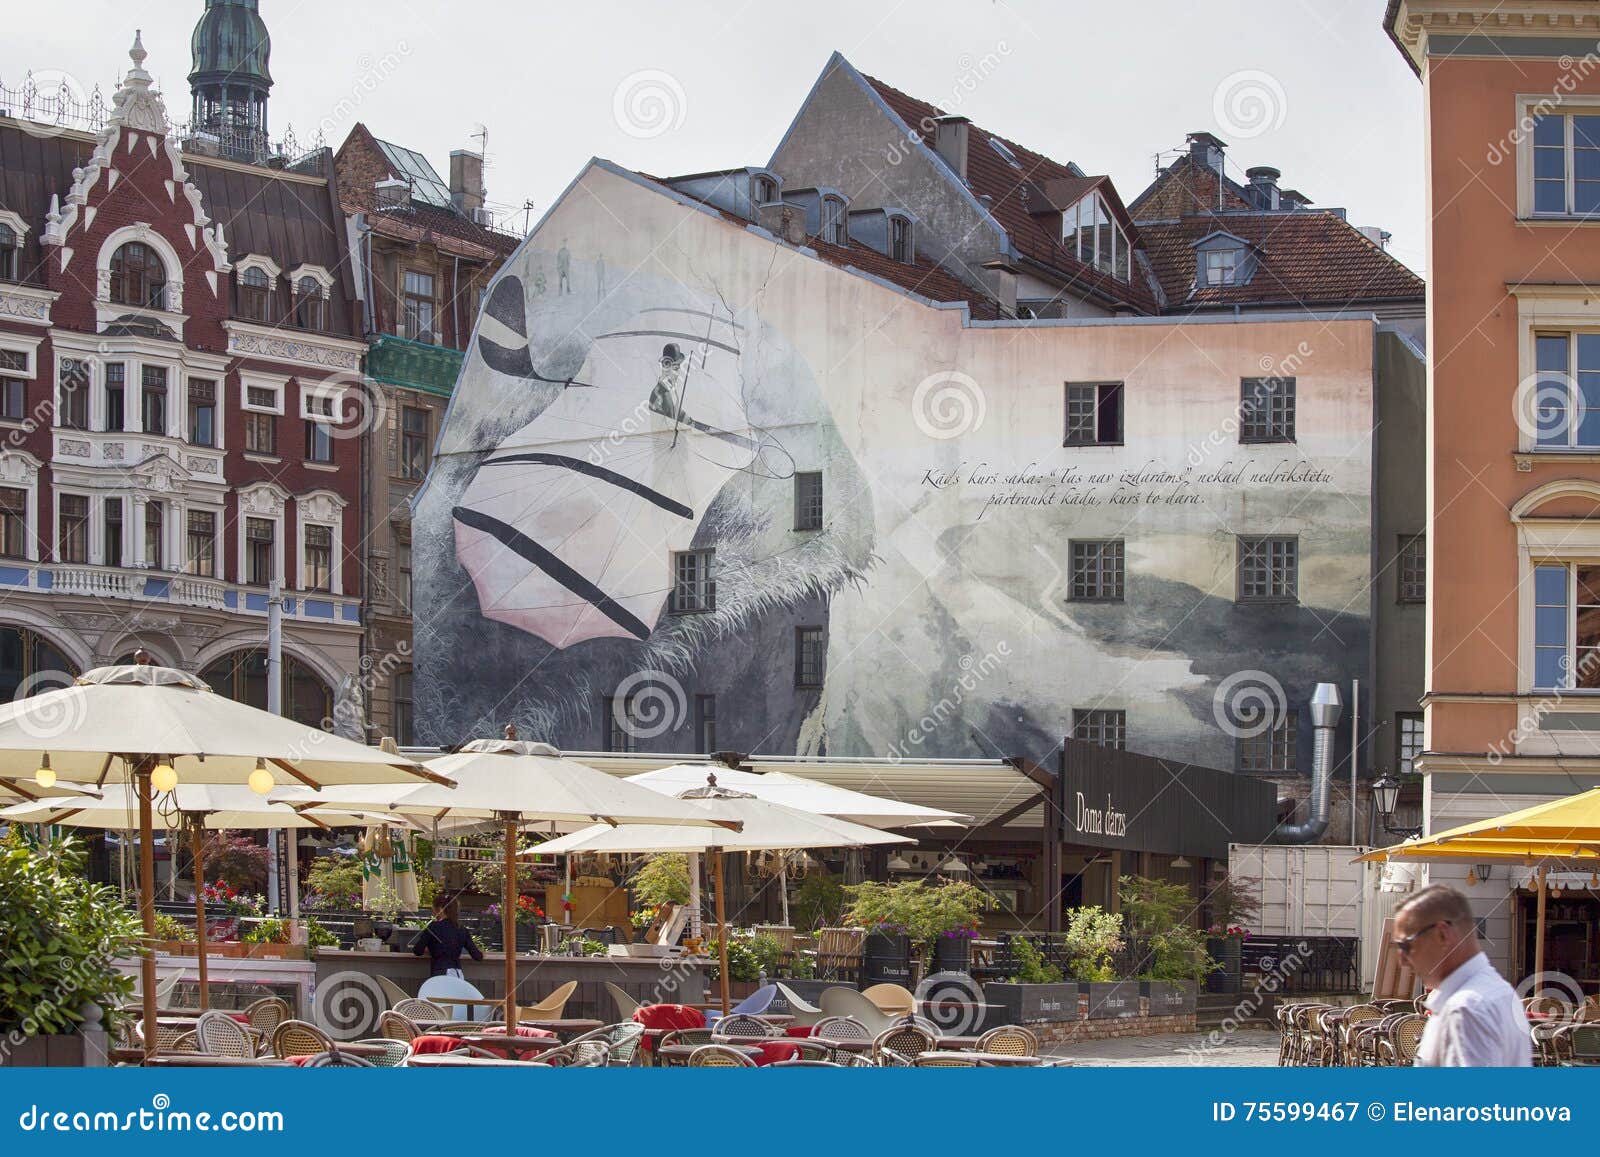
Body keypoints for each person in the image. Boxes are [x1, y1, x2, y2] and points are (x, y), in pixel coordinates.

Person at [1393, 884, 1531, 1066]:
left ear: (1442, 935)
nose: (1401, 960)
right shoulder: (1499, 991)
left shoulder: (1465, 1009)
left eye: (1406, 946)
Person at [412, 897, 484, 979]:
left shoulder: (433, 927)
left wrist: (431, 949)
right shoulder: (462, 929)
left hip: (440, 973)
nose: (434, 913)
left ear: (440, 909)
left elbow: (417, 951)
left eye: (434, 910)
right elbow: (477, 956)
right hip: (457, 974)